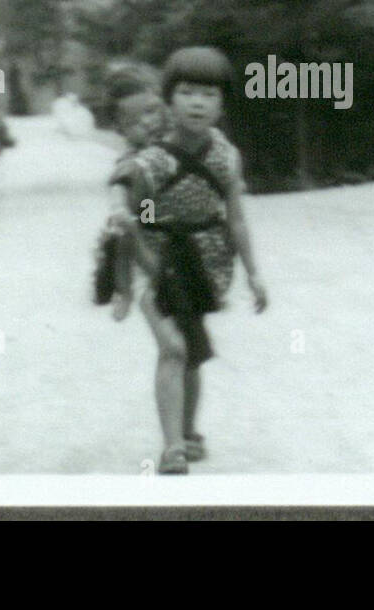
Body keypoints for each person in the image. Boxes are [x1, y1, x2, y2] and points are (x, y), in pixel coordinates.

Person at [104, 47, 267, 474]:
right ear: (169, 101)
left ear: (221, 104)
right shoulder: (152, 160)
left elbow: (236, 217)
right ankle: (173, 446)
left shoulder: (227, 157)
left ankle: (188, 432)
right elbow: (123, 192)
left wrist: (254, 274)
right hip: (153, 261)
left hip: (203, 265)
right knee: (174, 347)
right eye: (188, 92)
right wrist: (121, 217)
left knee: (190, 350)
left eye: (209, 95)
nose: (198, 103)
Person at [93, 73, 169, 322]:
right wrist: (118, 208)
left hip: (170, 209)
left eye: (154, 112)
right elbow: (119, 183)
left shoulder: (168, 144)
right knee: (128, 237)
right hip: (145, 207)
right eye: (139, 120)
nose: (151, 123)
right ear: (121, 129)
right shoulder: (131, 159)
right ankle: (124, 290)